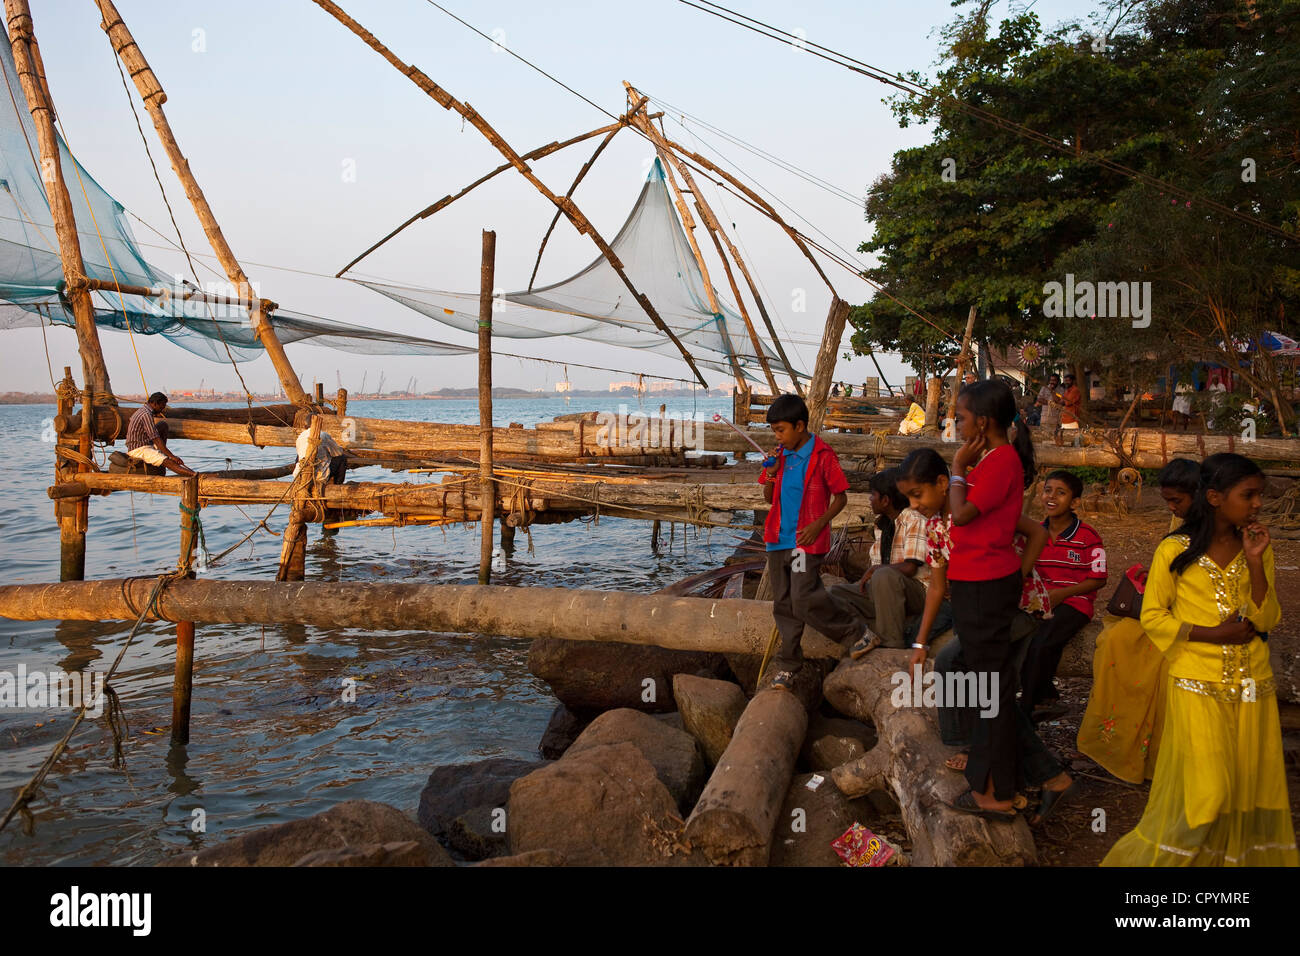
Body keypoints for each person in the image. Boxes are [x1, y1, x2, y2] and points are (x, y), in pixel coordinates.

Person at [1102, 453, 1297, 866]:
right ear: (1214, 497)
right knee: (1210, 792)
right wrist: (1213, 634)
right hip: (1196, 682)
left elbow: (1267, 618)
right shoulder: (1174, 549)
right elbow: (1153, 615)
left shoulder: (1257, 545)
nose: (1258, 504)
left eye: (1260, 495)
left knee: (1248, 789)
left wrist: (1258, 561)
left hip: (1252, 685)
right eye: (1249, 495)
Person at [900, 447, 1076, 825]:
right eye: (909, 499)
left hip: (1015, 612)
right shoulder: (936, 528)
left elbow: (1036, 534)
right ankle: (1034, 770)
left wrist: (1015, 582)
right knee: (980, 685)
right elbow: (935, 587)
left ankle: (985, 756)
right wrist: (920, 642)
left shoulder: (979, 509)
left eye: (919, 495)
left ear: (943, 483)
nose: (915, 505)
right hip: (979, 617)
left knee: (973, 679)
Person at [941, 379, 1040, 818]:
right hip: (979, 581)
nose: (954, 423)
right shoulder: (996, 460)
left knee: (990, 689)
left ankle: (993, 793)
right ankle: (1001, 783)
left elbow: (960, 515)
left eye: (959, 417)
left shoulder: (998, 462)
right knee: (991, 686)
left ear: (982, 422)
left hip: (983, 584)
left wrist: (958, 467)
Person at [1076, 458, 1198, 783]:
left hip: (1192, 622)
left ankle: (1148, 756)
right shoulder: (1177, 529)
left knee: (1150, 660)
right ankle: (1113, 746)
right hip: (1165, 613)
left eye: (1177, 501)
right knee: (1115, 642)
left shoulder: (1222, 532)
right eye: (1168, 501)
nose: (1173, 508)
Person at [759, 394, 864, 690]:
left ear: (800, 426)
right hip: (778, 539)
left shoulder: (823, 456)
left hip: (805, 541)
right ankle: (790, 662)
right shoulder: (780, 456)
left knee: (803, 598)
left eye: (781, 430)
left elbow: (841, 496)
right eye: (774, 431)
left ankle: (855, 633)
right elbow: (768, 499)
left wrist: (819, 524)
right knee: (782, 602)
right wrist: (770, 474)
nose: (777, 436)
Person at [1018, 470, 1107, 721]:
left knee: (1043, 641)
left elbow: (1099, 578)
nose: (1052, 497)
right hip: (1038, 602)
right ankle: (1047, 697)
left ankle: (1027, 707)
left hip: (1073, 603)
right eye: (1047, 490)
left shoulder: (1087, 537)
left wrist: (1061, 594)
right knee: (1020, 637)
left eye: (1061, 492)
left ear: (1075, 502)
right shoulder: (1033, 533)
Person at [829, 468, 927, 655]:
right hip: (885, 588)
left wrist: (877, 570)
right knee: (834, 594)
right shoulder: (882, 524)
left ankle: (891, 643)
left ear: (885, 500)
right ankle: (866, 633)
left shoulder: (914, 520)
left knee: (884, 574)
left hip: (917, 592)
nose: (869, 499)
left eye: (872, 495)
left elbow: (910, 567)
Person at [125, 392, 195, 477]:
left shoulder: (143, 410)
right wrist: (172, 456)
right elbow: (156, 439)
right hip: (138, 449)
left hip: (143, 443)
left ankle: (162, 453)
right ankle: (194, 475)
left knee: (163, 425)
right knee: (168, 461)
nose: (162, 409)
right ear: (155, 404)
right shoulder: (146, 415)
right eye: (161, 406)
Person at [1060, 373, 1082, 441]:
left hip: (1072, 420)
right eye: (1065, 381)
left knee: (1074, 441)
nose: (1066, 382)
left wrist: (1062, 401)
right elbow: (1061, 401)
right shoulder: (1067, 391)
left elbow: (1067, 402)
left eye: (1068, 381)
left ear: (1073, 381)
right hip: (1065, 420)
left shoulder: (1075, 390)